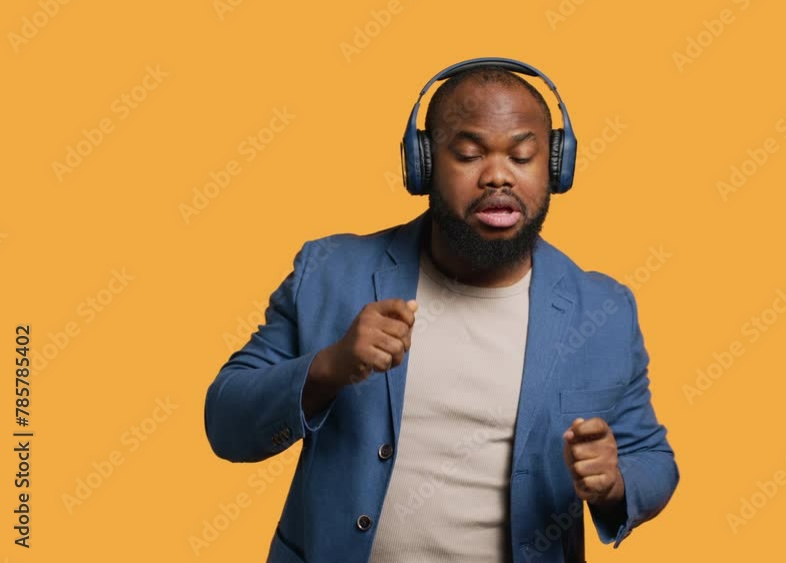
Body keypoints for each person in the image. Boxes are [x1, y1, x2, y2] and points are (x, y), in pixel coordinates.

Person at [204, 57, 679, 563]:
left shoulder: (603, 310)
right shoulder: (329, 271)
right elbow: (227, 424)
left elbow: (653, 459)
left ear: (555, 169)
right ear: (423, 165)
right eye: (470, 155)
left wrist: (613, 483)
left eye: (522, 157)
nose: (497, 176)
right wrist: (328, 368)